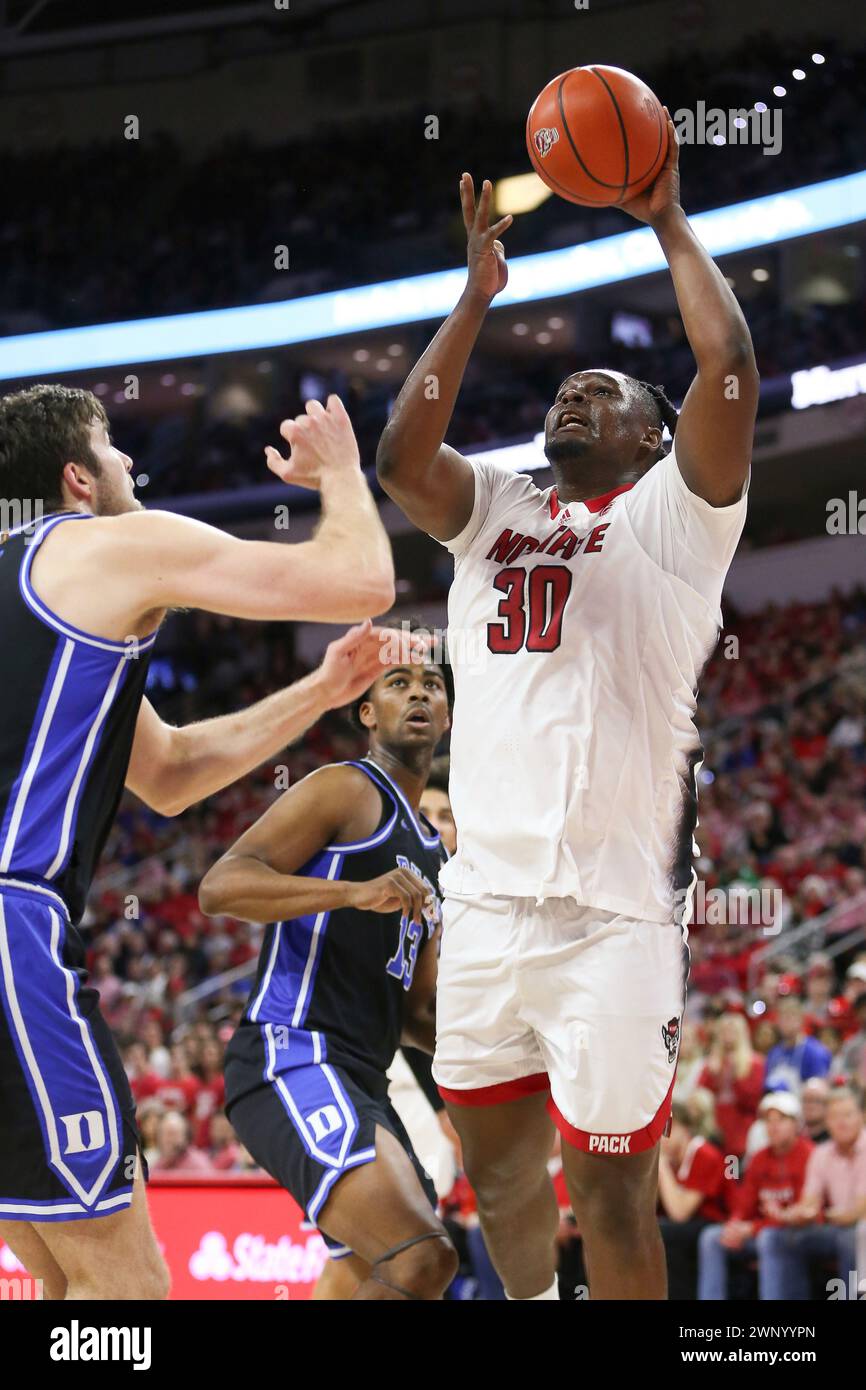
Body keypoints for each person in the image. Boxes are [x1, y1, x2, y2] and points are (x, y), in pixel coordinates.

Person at [376, 111, 758, 1299]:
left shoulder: (673, 520)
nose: (573, 399)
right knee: (495, 1175)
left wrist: (665, 219)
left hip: (613, 915)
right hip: (484, 904)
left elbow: (728, 368)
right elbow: (400, 458)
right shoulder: (495, 505)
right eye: (564, 390)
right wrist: (475, 296)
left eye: (603, 392)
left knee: (611, 1200)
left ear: (653, 437)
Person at [0, 385, 395, 1300]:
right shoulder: (105, 544)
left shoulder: (31, 602)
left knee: (62, 1278)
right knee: (128, 1295)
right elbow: (361, 582)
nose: (132, 466)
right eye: (113, 449)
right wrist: (340, 471)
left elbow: (170, 772)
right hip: (14, 931)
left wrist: (318, 694)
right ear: (77, 478)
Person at [199, 647, 458, 1300]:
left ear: (450, 715)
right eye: (400, 684)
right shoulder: (345, 787)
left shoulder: (433, 853)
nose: (420, 694)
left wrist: (511, 1046)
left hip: (362, 1075)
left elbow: (417, 1016)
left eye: (433, 686)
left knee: (386, 1271)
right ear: (368, 713)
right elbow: (221, 886)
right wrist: (350, 894)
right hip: (291, 1052)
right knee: (423, 1258)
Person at [697, 1092, 813, 1300]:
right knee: (711, 1237)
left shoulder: (809, 1155)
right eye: (768, 1120)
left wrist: (753, 1228)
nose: (773, 1126)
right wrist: (735, 1224)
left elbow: (803, 1213)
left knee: (769, 1239)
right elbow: (744, 1203)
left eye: (781, 1119)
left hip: (796, 1232)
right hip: (760, 1230)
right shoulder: (759, 1158)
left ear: (797, 1124)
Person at [769, 1087, 866, 1299]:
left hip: (857, 1228)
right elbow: (809, 1201)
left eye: (848, 1115)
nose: (842, 1123)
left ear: (862, 1116)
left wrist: (824, 1214)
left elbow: (860, 1210)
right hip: (837, 1228)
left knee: (855, 1235)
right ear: (826, 1122)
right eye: (834, 1116)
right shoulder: (821, 1153)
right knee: (785, 1238)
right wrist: (794, 1214)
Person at [657, 1091, 729, 1300]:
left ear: (686, 1128)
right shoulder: (674, 1159)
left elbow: (680, 1213)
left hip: (716, 1222)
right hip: (691, 1225)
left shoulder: (704, 1153)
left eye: (669, 1128)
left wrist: (660, 1165)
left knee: (661, 1233)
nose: (663, 1136)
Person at [697, 1011, 764, 1158]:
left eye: (732, 1031)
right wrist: (712, 1075)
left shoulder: (754, 1063)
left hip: (740, 1126)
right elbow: (700, 1098)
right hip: (714, 1125)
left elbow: (752, 1101)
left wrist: (735, 1076)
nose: (727, 1035)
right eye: (723, 1031)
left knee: (733, 1171)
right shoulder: (711, 1062)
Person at [764, 997, 832, 1094]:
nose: (786, 1023)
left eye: (790, 1018)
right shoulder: (774, 1053)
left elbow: (820, 1089)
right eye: (782, 1018)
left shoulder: (815, 1052)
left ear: (801, 1020)